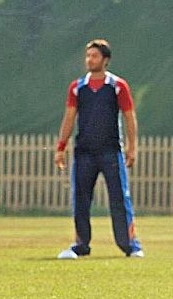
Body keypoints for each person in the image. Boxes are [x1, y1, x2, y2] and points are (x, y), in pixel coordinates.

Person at [53, 39, 144, 259]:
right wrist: (61, 147)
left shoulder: (117, 86)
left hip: (111, 151)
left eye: (94, 56)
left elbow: (129, 117)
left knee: (119, 198)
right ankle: (80, 245)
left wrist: (132, 148)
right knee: (81, 198)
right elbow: (69, 117)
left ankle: (130, 245)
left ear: (105, 60)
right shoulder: (77, 87)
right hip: (84, 152)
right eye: (88, 56)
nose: (89, 60)